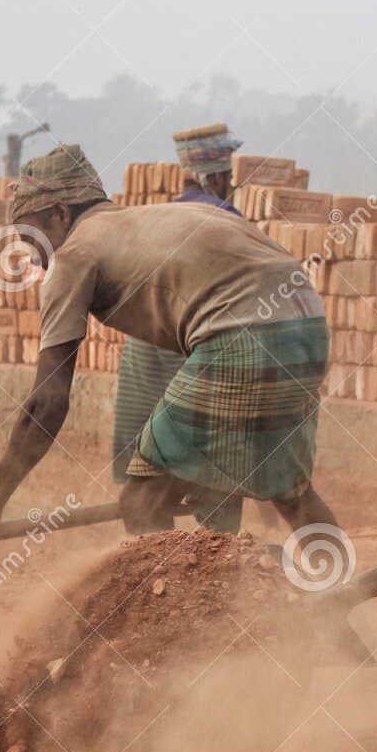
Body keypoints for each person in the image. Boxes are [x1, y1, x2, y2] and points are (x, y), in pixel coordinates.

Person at [0, 143, 336, 554]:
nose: (36, 259)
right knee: (292, 495)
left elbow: (48, 402)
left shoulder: (75, 253)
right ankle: (334, 600)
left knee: (142, 501)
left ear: (62, 214)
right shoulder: (164, 216)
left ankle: (194, 615)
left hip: (243, 336)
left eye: (33, 236)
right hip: (307, 327)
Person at [110, 124, 246, 509]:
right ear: (217, 176)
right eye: (229, 177)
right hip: (190, 340)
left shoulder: (162, 216)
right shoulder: (225, 219)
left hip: (142, 341)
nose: (230, 183)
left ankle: (150, 542)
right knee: (215, 461)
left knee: (146, 460)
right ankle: (211, 545)